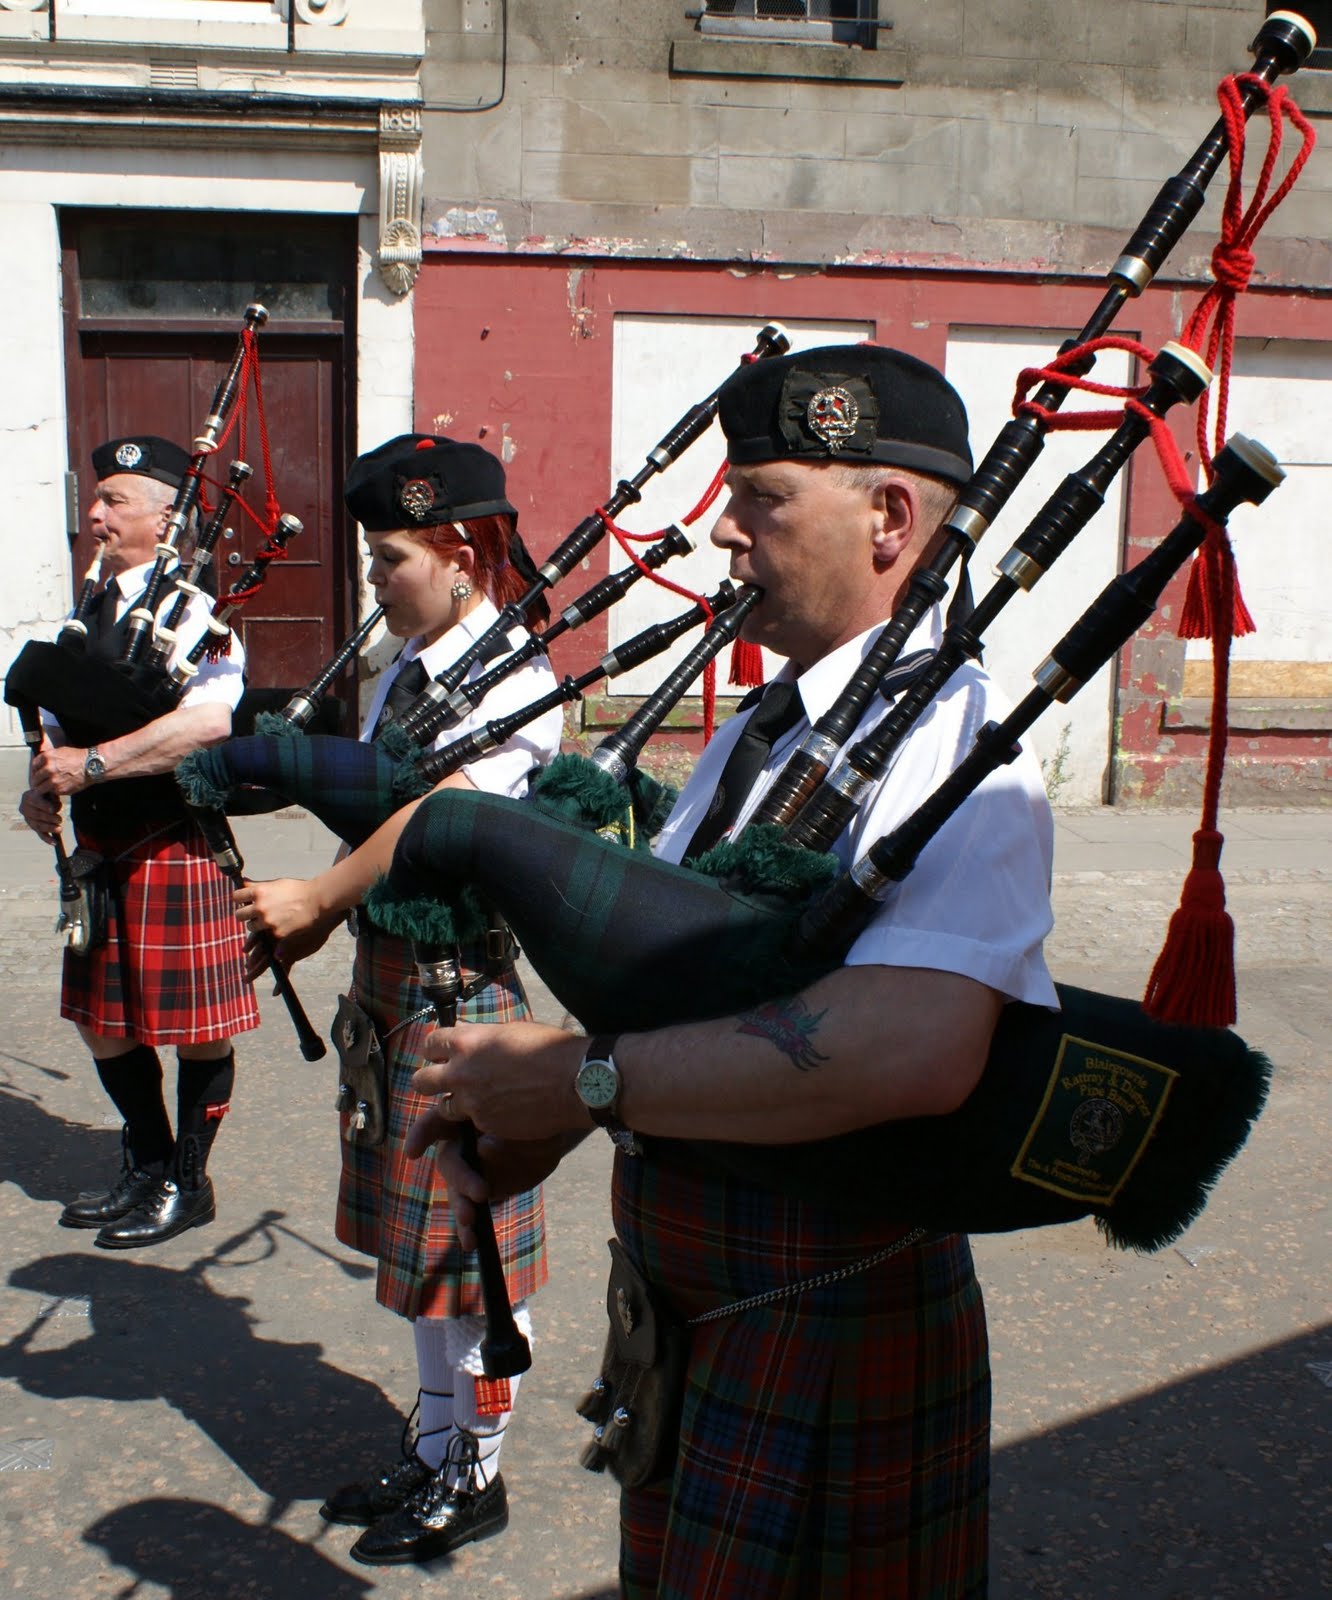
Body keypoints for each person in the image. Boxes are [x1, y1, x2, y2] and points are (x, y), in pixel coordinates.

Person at [404, 346, 1058, 1599]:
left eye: (763, 498)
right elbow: (684, 991)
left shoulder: (963, 747)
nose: (723, 531)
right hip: (698, 1298)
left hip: (828, 1318)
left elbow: (910, 1047)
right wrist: (550, 1122)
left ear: (890, 518)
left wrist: (581, 1080)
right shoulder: (764, 727)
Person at [234, 435, 564, 1567]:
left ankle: (476, 1473)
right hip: (390, 983)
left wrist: (322, 898)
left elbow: (440, 819)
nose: (373, 582)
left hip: (461, 987)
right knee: (420, 1255)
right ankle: (431, 1447)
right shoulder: (403, 669)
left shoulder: (516, 675)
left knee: (468, 1254)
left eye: (390, 560)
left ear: (461, 555)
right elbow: (371, 806)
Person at [19, 434, 257, 1250]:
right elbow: (57, 721)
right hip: (98, 847)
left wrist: (93, 765)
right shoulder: (86, 612)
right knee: (104, 1021)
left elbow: (207, 725)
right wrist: (42, 786)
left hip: (171, 841)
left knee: (197, 1026)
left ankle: (189, 1182)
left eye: (115, 500)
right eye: (97, 500)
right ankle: (149, 1164)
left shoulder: (197, 615)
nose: (95, 515)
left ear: (165, 518)